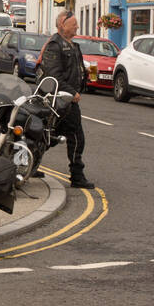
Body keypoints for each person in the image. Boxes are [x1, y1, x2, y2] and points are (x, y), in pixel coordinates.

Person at [39, 10, 94, 189]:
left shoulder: (73, 45)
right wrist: (72, 92)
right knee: (75, 137)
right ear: (62, 24)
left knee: (49, 136)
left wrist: (85, 79)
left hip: (68, 99)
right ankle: (77, 176)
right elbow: (54, 76)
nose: (77, 26)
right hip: (60, 100)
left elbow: (75, 69)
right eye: (74, 24)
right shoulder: (54, 45)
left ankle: (29, 164)